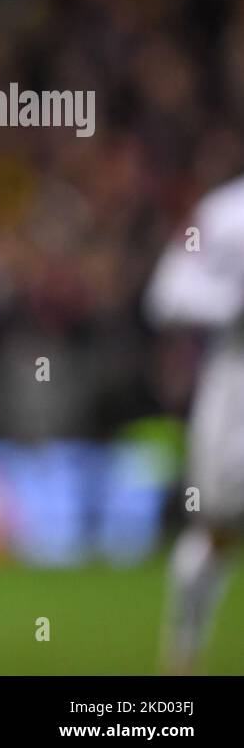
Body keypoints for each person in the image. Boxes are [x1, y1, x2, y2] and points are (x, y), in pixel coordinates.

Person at [145, 174, 244, 674]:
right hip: (237, 388)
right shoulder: (227, 214)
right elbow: (168, 290)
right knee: (217, 529)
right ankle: (182, 657)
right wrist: (232, 304)